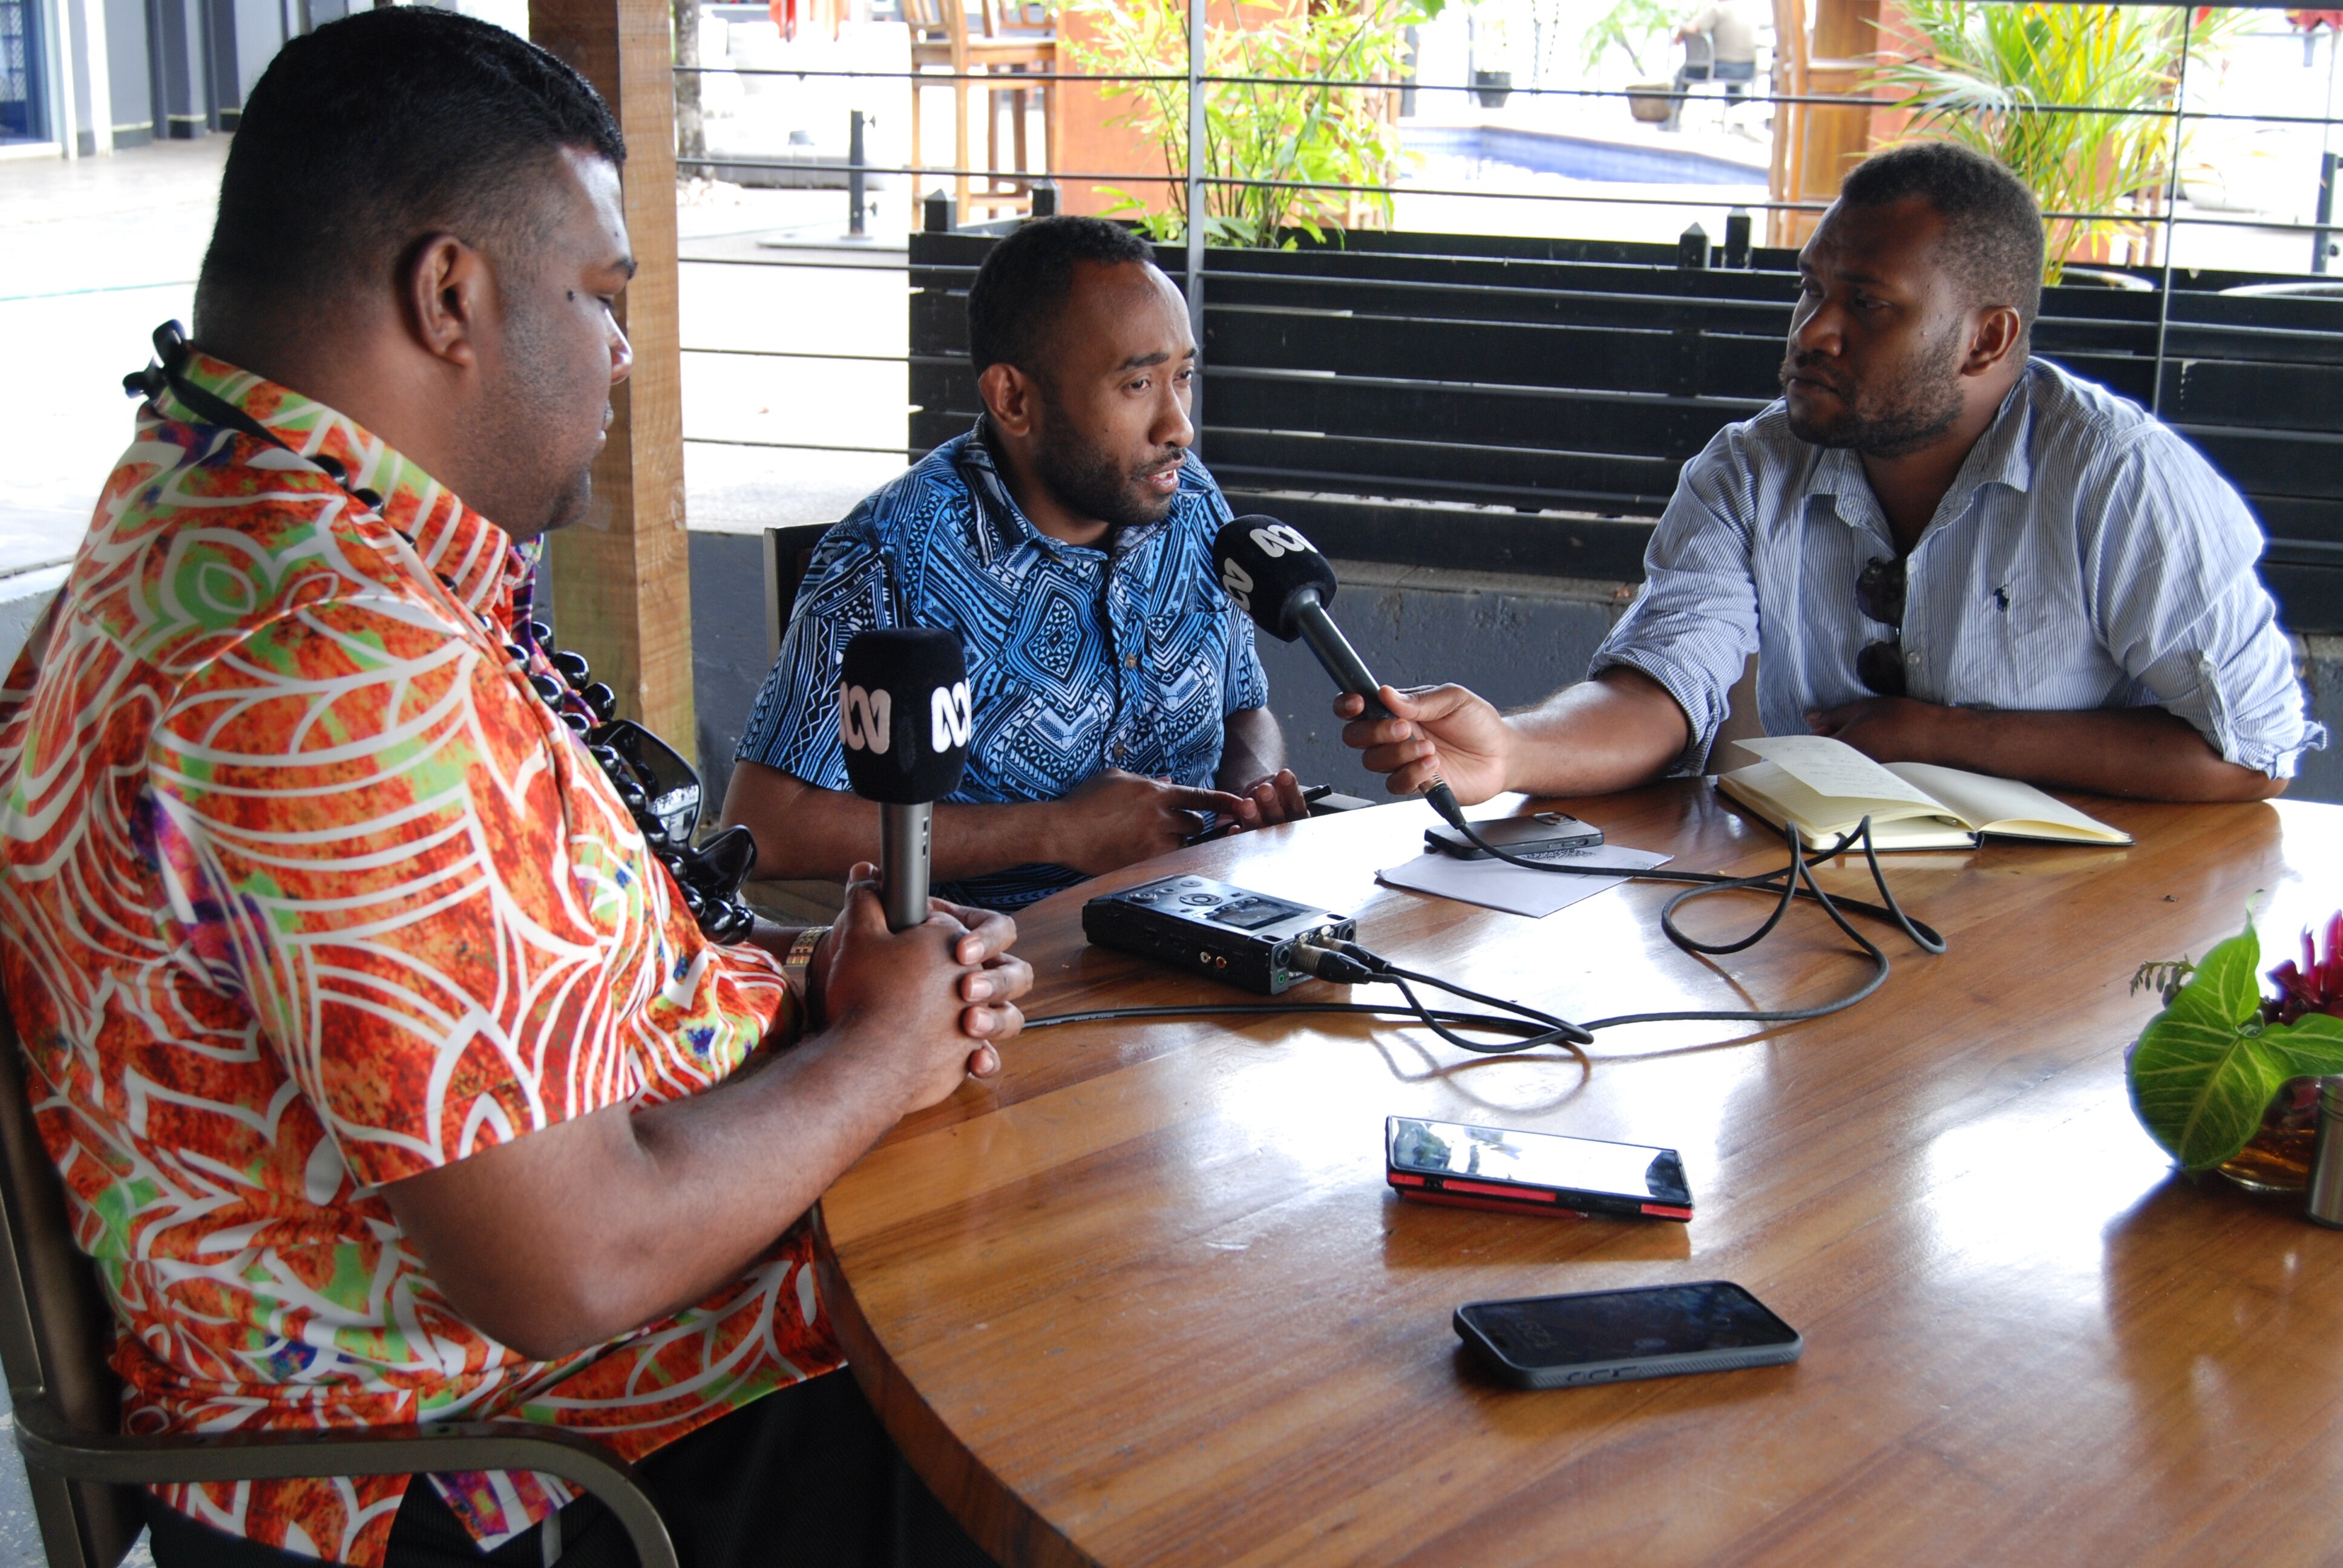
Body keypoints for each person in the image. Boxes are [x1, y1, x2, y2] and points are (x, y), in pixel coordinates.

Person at [0, 11, 1030, 1567]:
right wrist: (883, 1055)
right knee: (1087, 1400)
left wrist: (810, 1001)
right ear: (449, 296)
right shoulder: (320, 664)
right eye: (602, 295)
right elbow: (574, 1263)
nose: (624, 350)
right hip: (505, 1473)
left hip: (545, 1396)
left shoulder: (229, 532)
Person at [1337, 141, 2321, 809]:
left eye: (1868, 304)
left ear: (1986, 339)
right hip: (1839, 924)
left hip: (2086, 935)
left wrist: (1937, 734)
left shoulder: (2119, 478)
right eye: (1809, 289)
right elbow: (1666, 688)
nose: (1813, 331)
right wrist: (1513, 750)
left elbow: (2251, 750)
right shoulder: (1748, 470)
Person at [722, 215, 1309, 913]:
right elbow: (765, 827)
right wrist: (1053, 832)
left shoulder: (1189, 500)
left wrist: (1250, 788)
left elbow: (1244, 709)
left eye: (1181, 376)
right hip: (1006, 954)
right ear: (1013, 399)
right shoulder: (891, 559)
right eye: (1136, 384)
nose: (1177, 424)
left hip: (1214, 914)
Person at [1665, 0, 1761, 131]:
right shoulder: (1749, 11)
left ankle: (1672, 117)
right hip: (1748, 70)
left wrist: (1680, 34)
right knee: (1733, 81)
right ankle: (1738, 120)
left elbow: (1691, 28)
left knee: (1684, 72)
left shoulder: (1718, 10)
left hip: (1723, 67)